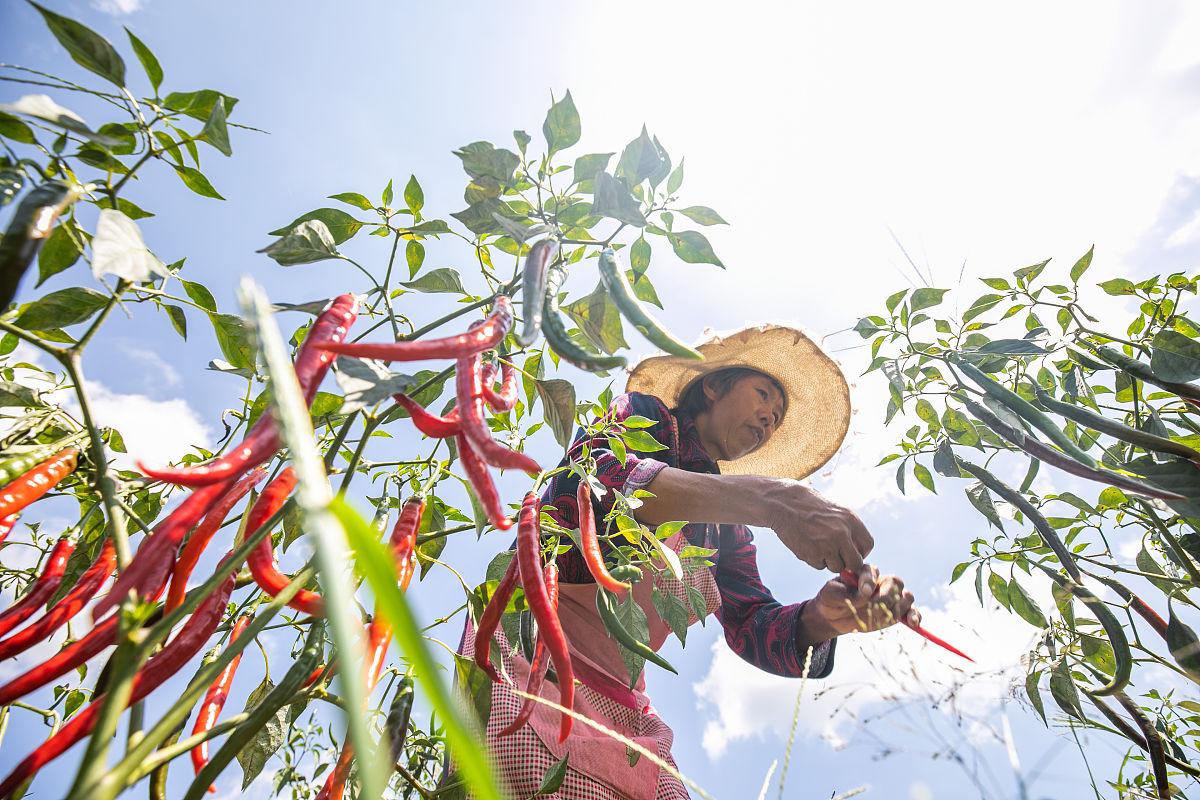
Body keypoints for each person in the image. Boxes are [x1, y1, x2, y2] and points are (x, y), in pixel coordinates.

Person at [459, 324, 918, 799]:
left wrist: (823, 619)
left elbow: (750, 623)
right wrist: (774, 499)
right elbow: (603, 484)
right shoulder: (645, 417)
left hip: (621, 696)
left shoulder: (726, 530)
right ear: (713, 386)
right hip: (527, 647)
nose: (768, 420)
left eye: (778, 418)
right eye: (763, 395)